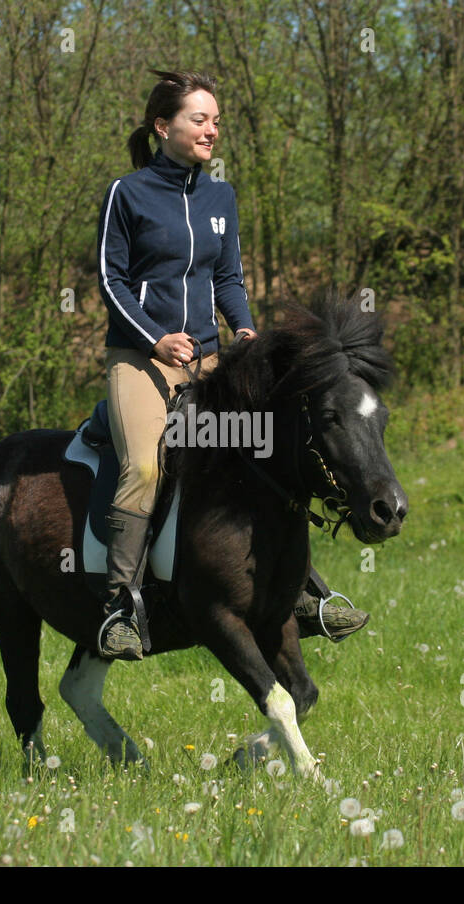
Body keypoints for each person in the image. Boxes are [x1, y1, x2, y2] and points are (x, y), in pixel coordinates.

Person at [94, 68, 368, 661]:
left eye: (216, 120)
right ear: (163, 127)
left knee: (270, 448)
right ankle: (118, 606)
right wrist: (154, 340)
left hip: (210, 360)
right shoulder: (128, 193)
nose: (212, 130)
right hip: (141, 360)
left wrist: (243, 329)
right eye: (200, 119)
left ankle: (303, 592)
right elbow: (110, 281)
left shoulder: (221, 196)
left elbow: (227, 277)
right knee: (143, 464)